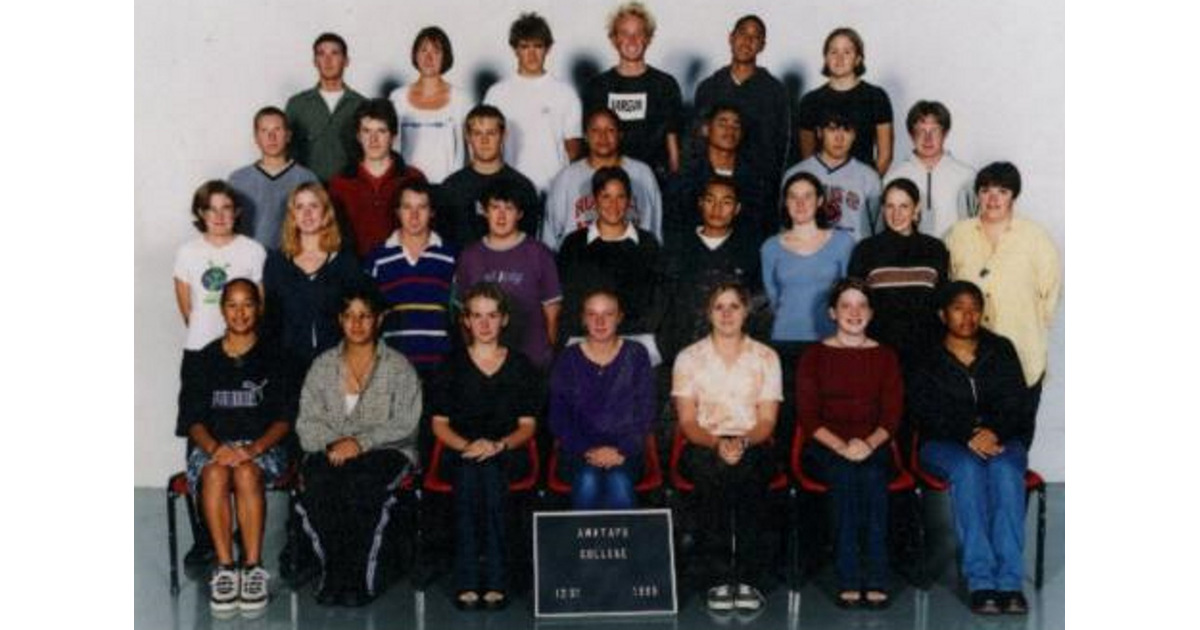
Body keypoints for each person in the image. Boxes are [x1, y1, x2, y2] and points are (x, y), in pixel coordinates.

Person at [908, 281, 1034, 616]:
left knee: (1006, 471)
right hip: (945, 442)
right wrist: (967, 433)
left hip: (1001, 439)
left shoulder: (1001, 348)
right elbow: (922, 409)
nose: (968, 315)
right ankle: (981, 581)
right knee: (968, 470)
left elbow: (1019, 404)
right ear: (942, 313)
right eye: (958, 307)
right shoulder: (926, 354)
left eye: (975, 307)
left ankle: (1009, 582)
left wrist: (995, 431)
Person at [295, 288, 422, 607]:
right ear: (340, 320)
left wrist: (360, 443)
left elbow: (407, 423)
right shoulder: (322, 366)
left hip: (386, 452)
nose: (357, 324)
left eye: (365, 315)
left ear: (379, 320)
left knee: (360, 486)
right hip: (331, 450)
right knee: (322, 485)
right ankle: (333, 574)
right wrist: (334, 444)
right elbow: (306, 423)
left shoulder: (399, 366)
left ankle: (358, 579)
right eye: (349, 316)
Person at [177, 279, 292, 613]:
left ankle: (253, 568)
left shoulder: (276, 356)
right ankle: (226, 569)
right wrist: (216, 449)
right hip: (214, 447)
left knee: (244, 474)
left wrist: (253, 449)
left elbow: (285, 418)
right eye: (232, 305)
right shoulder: (203, 359)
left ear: (258, 308)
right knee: (214, 475)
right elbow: (192, 419)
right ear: (222, 309)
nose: (240, 313)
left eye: (247, 304)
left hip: (261, 448)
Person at [429, 283, 540, 610]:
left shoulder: (521, 366)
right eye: (476, 316)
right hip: (461, 450)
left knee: (490, 475)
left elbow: (527, 427)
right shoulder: (449, 364)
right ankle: (467, 578)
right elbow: (439, 424)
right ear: (465, 321)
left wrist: (498, 445)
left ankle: (495, 578)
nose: (485, 324)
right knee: (470, 473)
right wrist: (470, 446)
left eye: (492, 316)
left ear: (504, 319)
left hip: (508, 452)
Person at [673, 281, 782, 613]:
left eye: (734, 306)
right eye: (719, 306)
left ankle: (748, 578)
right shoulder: (688, 358)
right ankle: (718, 578)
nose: (726, 314)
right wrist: (717, 444)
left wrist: (742, 442)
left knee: (748, 474)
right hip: (704, 441)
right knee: (714, 475)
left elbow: (766, 422)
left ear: (746, 311)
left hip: (753, 440)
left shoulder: (766, 357)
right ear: (708, 313)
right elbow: (689, 423)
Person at [797, 278, 903, 609]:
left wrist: (868, 445)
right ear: (832, 312)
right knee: (844, 476)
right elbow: (809, 417)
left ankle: (875, 575)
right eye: (846, 305)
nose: (854, 313)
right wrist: (842, 447)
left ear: (871, 313)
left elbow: (892, 415)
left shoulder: (886, 357)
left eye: (861, 306)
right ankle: (847, 575)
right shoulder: (814, 355)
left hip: (875, 444)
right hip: (825, 446)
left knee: (871, 476)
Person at [943, 162, 1060, 416]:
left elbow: (1051, 296)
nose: (993, 198)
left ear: (1014, 196)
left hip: (1023, 358)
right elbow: (947, 290)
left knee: (1014, 446)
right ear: (977, 195)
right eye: (986, 190)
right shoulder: (957, 235)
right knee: (973, 441)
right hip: (968, 362)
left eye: (1003, 191)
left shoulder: (1036, 238)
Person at [760, 171, 854, 444]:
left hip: (830, 343)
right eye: (793, 197)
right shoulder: (770, 247)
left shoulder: (842, 242)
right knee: (788, 415)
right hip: (785, 343)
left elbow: (849, 296)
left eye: (807, 196)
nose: (800, 203)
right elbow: (773, 295)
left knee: (827, 417)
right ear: (785, 203)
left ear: (820, 200)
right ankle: (789, 481)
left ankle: (820, 476)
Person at [549, 289, 655, 510]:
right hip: (576, 451)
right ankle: (583, 546)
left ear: (619, 317)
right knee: (587, 479)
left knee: (618, 481)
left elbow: (645, 413)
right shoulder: (567, 359)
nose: (600, 321)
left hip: (627, 452)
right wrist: (588, 450)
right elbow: (558, 418)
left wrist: (621, 450)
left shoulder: (636, 354)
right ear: (583, 319)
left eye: (608, 314)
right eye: (592, 314)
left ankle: (625, 546)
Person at [556, 166, 665, 361]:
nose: (613, 205)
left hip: (637, 340)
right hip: (585, 341)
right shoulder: (573, 244)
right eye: (606, 196)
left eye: (620, 197)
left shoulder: (647, 244)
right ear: (594, 200)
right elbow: (568, 303)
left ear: (629, 200)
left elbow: (657, 302)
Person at [455, 180, 562, 370]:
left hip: (532, 364)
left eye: (509, 208)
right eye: (495, 207)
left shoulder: (539, 254)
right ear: (484, 211)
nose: (501, 216)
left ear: (520, 213)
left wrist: (548, 360)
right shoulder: (469, 256)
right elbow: (463, 317)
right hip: (483, 366)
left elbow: (553, 317)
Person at [263, 181, 369, 368]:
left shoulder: (346, 262)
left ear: (326, 214)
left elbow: (362, 316)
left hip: (338, 365)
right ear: (292, 216)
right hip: (287, 366)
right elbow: (270, 323)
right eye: (300, 207)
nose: (307, 213)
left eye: (314, 206)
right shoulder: (276, 263)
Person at [662, 175, 764, 363]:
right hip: (683, 352)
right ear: (700, 203)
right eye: (710, 200)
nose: (717, 209)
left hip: (733, 355)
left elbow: (755, 306)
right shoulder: (678, 247)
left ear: (737, 209)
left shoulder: (749, 252)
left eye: (726, 202)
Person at [362, 180, 458, 378]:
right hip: (391, 367)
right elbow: (367, 315)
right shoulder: (378, 258)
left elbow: (459, 314)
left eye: (421, 207)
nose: (414, 215)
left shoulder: (451, 256)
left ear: (432, 212)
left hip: (441, 368)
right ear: (397, 212)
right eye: (407, 207)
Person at [848, 177, 948, 366]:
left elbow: (942, 304)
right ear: (883, 209)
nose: (896, 214)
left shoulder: (935, 248)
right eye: (890, 206)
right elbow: (855, 303)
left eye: (904, 206)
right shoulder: (866, 250)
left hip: (927, 354)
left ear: (916, 208)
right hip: (878, 352)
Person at [583, 1, 683, 181]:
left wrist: (674, 184)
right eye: (625, 33)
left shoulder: (665, 85)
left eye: (639, 33)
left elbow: (673, 147)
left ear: (649, 39)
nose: (632, 40)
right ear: (613, 39)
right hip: (607, 184)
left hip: (654, 181)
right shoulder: (597, 87)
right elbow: (588, 143)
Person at [484, 12, 582, 193]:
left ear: (548, 48)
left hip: (555, 190)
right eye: (524, 46)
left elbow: (574, 151)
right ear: (515, 49)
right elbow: (486, 147)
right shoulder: (496, 94)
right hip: (510, 192)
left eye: (538, 46)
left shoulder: (565, 93)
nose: (531, 54)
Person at [690, 15, 790, 190]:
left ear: (762, 46)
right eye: (742, 34)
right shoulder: (709, 87)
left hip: (758, 187)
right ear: (731, 38)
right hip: (713, 186)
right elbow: (698, 142)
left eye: (755, 37)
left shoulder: (774, 91)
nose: (746, 42)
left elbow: (781, 146)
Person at [542, 107, 663, 251]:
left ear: (620, 134)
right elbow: (550, 236)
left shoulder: (642, 174)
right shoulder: (566, 178)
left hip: (632, 259)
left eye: (610, 130)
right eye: (595, 130)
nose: (603, 137)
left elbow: (654, 228)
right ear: (585, 136)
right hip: (581, 262)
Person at [174, 180, 267, 353]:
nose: (219, 216)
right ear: (201, 213)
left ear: (236, 212)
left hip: (244, 350)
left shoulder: (254, 250)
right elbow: (187, 312)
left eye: (226, 208)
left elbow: (259, 305)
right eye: (211, 209)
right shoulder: (187, 252)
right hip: (199, 347)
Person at [330, 98, 428, 257]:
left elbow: (426, 234)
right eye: (367, 131)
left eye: (381, 131)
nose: (373, 139)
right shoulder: (340, 183)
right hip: (354, 274)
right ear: (358, 136)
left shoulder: (413, 178)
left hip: (402, 272)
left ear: (393, 136)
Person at [668, 102, 772, 246]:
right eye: (722, 124)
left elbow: (762, 226)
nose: (730, 130)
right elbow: (674, 226)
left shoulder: (755, 177)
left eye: (736, 125)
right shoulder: (687, 175)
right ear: (706, 129)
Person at [437, 105, 542, 246]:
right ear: (467, 137)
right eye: (477, 133)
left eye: (491, 133)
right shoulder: (451, 187)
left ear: (503, 136)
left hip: (509, 267)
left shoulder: (522, 186)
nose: (484, 141)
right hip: (463, 266)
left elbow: (528, 243)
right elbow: (443, 242)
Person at [797, 27, 894, 175]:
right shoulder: (810, 101)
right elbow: (807, 157)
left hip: (863, 185)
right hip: (822, 186)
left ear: (858, 59)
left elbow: (885, 156)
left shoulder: (876, 97)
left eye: (847, 52)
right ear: (825, 57)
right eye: (834, 52)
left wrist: (868, 187)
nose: (839, 58)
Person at [387, 26, 473, 184]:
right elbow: (390, 149)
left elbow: (473, 151)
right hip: (408, 191)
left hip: (448, 190)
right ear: (415, 55)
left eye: (436, 51)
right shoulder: (397, 98)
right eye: (423, 50)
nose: (429, 57)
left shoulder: (461, 99)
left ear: (445, 57)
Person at [782, 109, 881, 242]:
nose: (839, 138)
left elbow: (878, 229)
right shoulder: (795, 174)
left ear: (854, 135)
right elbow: (786, 228)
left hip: (855, 257)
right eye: (832, 129)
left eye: (846, 130)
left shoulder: (869, 177)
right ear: (819, 132)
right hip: (809, 255)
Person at [229, 106, 319, 250]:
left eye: (277, 130)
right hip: (249, 260)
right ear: (256, 138)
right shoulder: (238, 179)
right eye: (264, 131)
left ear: (288, 135)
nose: (271, 137)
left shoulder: (307, 178)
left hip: (292, 260)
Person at [884, 100, 977, 238]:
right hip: (907, 257)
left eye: (934, 130)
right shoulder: (893, 177)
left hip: (954, 256)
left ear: (945, 133)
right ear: (911, 134)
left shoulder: (967, 176)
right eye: (921, 131)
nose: (928, 138)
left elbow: (979, 224)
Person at [285, 32, 366, 182]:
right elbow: (286, 153)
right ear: (315, 61)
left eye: (335, 53)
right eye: (321, 54)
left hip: (349, 191)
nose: (328, 60)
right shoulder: (297, 104)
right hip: (307, 194)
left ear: (346, 61)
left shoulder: (362, 105)